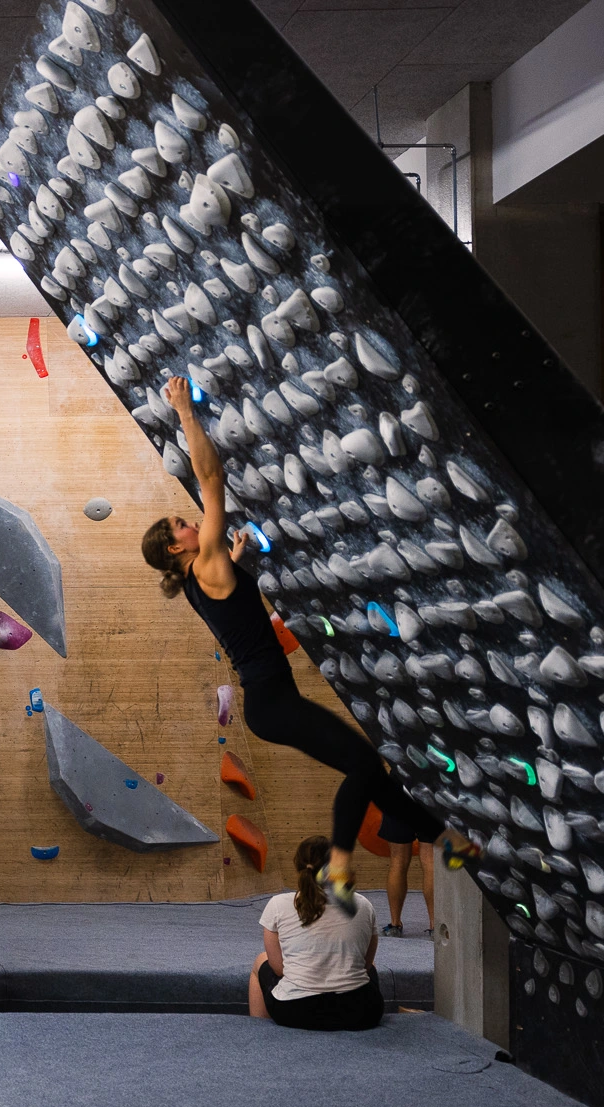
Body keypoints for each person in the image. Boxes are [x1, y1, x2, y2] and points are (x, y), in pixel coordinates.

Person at [140, 373, 475, 914]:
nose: (191, 521)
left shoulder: (205, 578)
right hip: (272, 703)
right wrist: (183, 410)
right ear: (177, 550)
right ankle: (340, 862)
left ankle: (448, 843)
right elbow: (211, 475)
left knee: (370, 768)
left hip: (270, 703)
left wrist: (240, 558)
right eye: (182, 525)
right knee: (365, 764)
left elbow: (237, 609)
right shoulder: (204, 564)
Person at [249, 835, 384, 1030]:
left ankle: (258, 1029)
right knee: (365, 968)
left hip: (296, 1011)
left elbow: (278, 968)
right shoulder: (362, 904)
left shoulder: (278, 905)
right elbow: (366, 964)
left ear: (299, 865)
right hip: (361, 1012)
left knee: (260, 960)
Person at [378, 812, 436, 937]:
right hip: (427, 800)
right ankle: (435, 926)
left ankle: (394, 925)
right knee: (430, 861)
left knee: (398, 861)